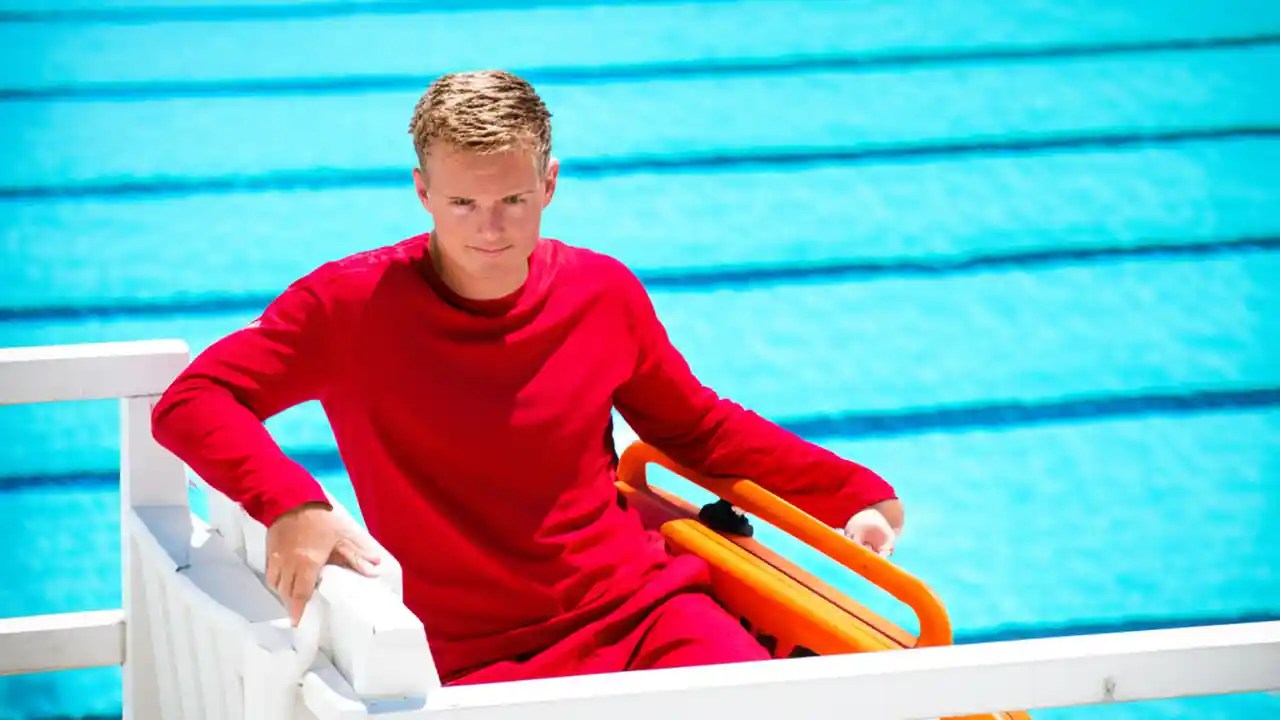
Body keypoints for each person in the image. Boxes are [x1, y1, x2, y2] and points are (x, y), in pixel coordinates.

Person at [151, 69, 905, 686]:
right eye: (463, 203)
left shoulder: (602, 293)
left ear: (549, 183)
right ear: (422, 193)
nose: (490, 228)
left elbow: (694, 425)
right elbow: (194, 400)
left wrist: (850, 494)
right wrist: (291, 504)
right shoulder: (351, 307)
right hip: (476, 657)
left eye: (513, 199)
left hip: (645, 613)